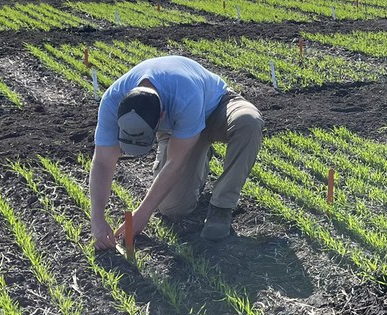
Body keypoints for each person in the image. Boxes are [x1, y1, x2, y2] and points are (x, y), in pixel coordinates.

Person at [90, 55, 264, 248]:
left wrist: (142, 214)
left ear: (162, 116)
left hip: (215, 108)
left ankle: (221, 207)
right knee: (173, 208)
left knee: (249, 121)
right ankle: (199, 156)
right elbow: (103, 162)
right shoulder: (112, 101)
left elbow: (175, 163)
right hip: (178, 130)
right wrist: (97, 219)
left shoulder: (185, 94)